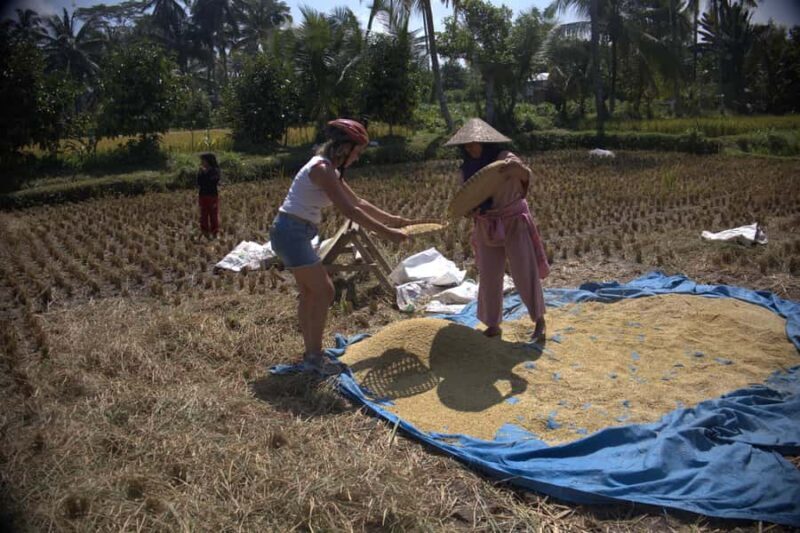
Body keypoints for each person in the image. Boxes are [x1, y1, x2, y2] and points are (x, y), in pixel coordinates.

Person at [270, 118, 417, 374]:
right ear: (343, 147)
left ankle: (311, 352)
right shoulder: (322, 168)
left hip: (292, 232)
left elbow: (358, 202)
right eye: (357, 152)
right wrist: (387, 233)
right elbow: (348, 210)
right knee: (325, 291)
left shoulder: (330, 170)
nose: (357, 158)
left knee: (310, 293)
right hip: (291, 232)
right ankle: (314, 358)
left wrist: (394, 220)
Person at [444, 118, 550, 342]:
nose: (471, 148)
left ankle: (539, 321)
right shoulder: (466, 172)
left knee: (524, 271)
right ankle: (493, 324)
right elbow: (466, 201)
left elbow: (527, 176)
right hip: (486, 224)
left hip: (513, 222)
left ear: (487, 143)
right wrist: (470, 211)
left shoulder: (505, 159)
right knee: (489, 275)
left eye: (476, 143)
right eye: (467, 145)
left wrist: (518, 169)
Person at [197, 152, 221, 237]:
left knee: (213, 214)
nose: (202, 162)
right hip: (202, 195)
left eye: (203, 160)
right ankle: (205, 231)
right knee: (203, 214)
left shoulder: (215, 171)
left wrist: (205, 174)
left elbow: (212, 182)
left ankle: (214, 231)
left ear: (208, 161)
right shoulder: (201, 171)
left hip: (212, 195)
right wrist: (202, 173)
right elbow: (199, 183)